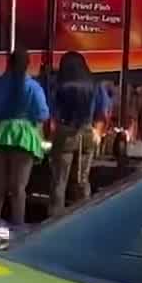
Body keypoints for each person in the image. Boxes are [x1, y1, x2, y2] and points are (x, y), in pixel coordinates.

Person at [0, 46, 49, 235]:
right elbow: (42, 114)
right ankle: (18, 223)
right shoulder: (33, 87)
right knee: (19, 186)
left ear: (8, 63)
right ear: (28, 65)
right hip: (24, 136)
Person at [48, 51, 98, 213]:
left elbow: (51, 110)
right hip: (87, 131)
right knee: (82, 179)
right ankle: (85, 215)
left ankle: (55, 218)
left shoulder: (58, 84)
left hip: (66, 131)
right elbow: (101, 109)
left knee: (59, 180)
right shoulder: (92, 84)